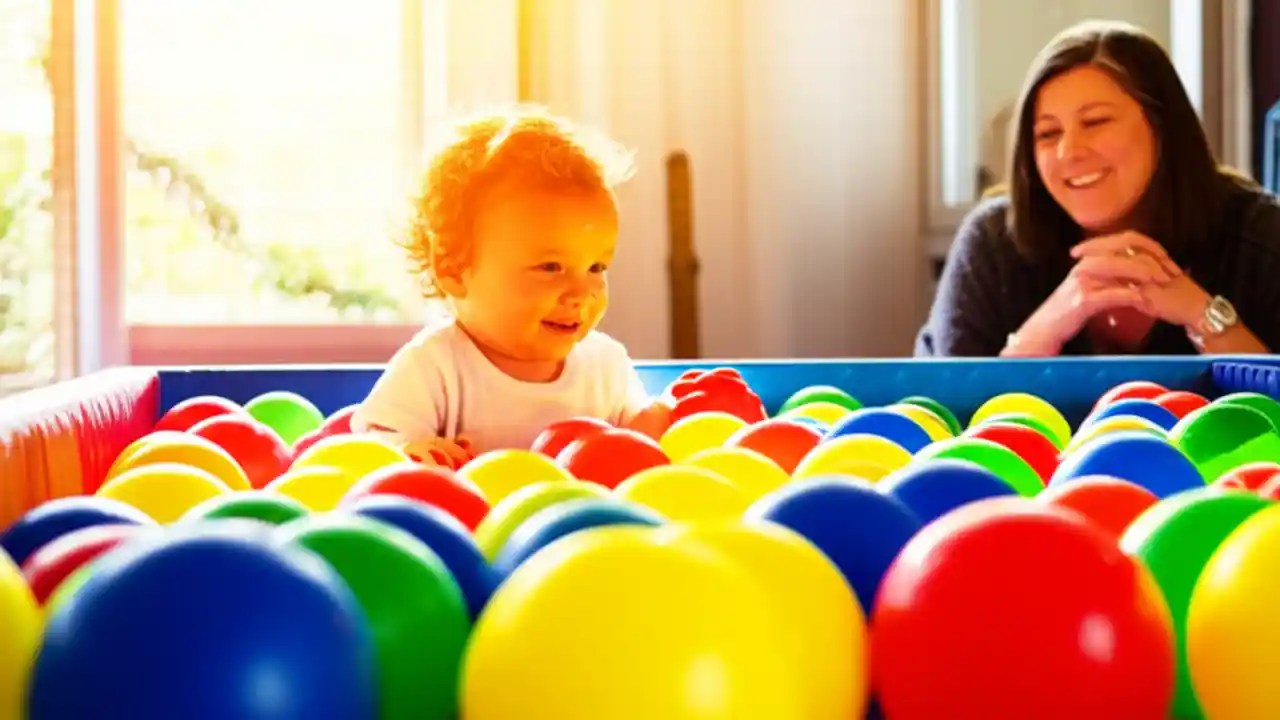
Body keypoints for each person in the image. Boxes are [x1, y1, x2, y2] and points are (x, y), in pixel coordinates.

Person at [916, 19, 1280, 358]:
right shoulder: (992, 243)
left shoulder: (1260, 235)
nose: (1069, 152)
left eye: (1095, 122)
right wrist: (1048, 326)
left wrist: (1202, 314)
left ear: (1164, 127)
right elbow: (951, 416)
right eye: (1048, 133)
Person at [352, 107, 672, 467]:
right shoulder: (435, 366)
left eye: (596, 267)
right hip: (468, 522)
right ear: (453, 269)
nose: (581, 293)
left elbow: (642, 443)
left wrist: (674, 414)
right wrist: (408, 452)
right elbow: (372, 449)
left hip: (584, 521)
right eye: (550, 267)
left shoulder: (605, 366)